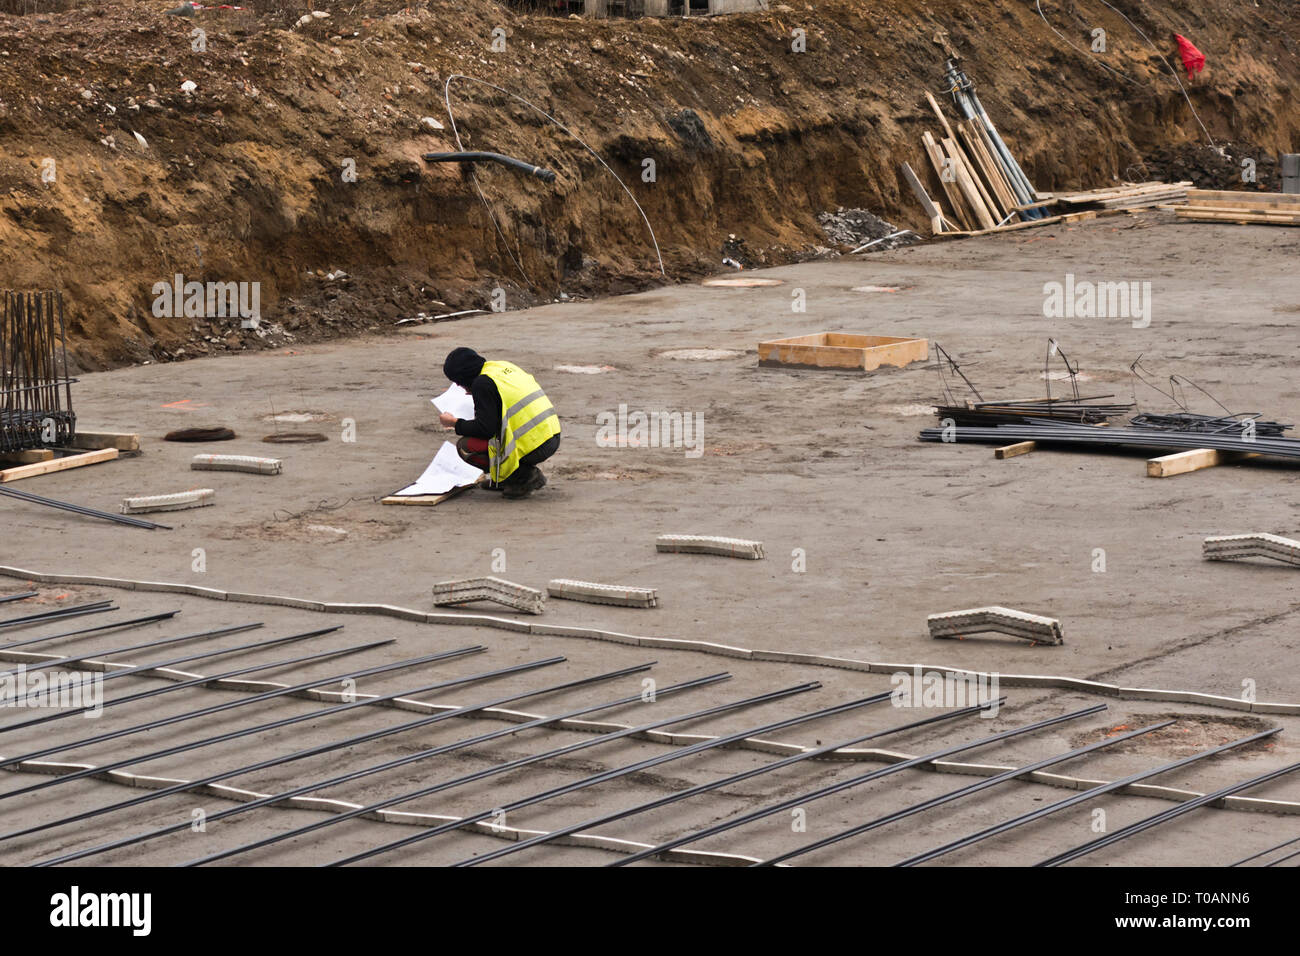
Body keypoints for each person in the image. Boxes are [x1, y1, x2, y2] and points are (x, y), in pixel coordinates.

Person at [439, 347, 560, 499]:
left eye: (457, 381)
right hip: (550, 433)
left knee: (466, 447)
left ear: (463, 378)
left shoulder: (482, 385)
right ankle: (505, 477)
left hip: (536, 444)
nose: (457, 386)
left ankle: (522, 477)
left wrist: (455, 423)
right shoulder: (499, 367)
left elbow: (485, 429)